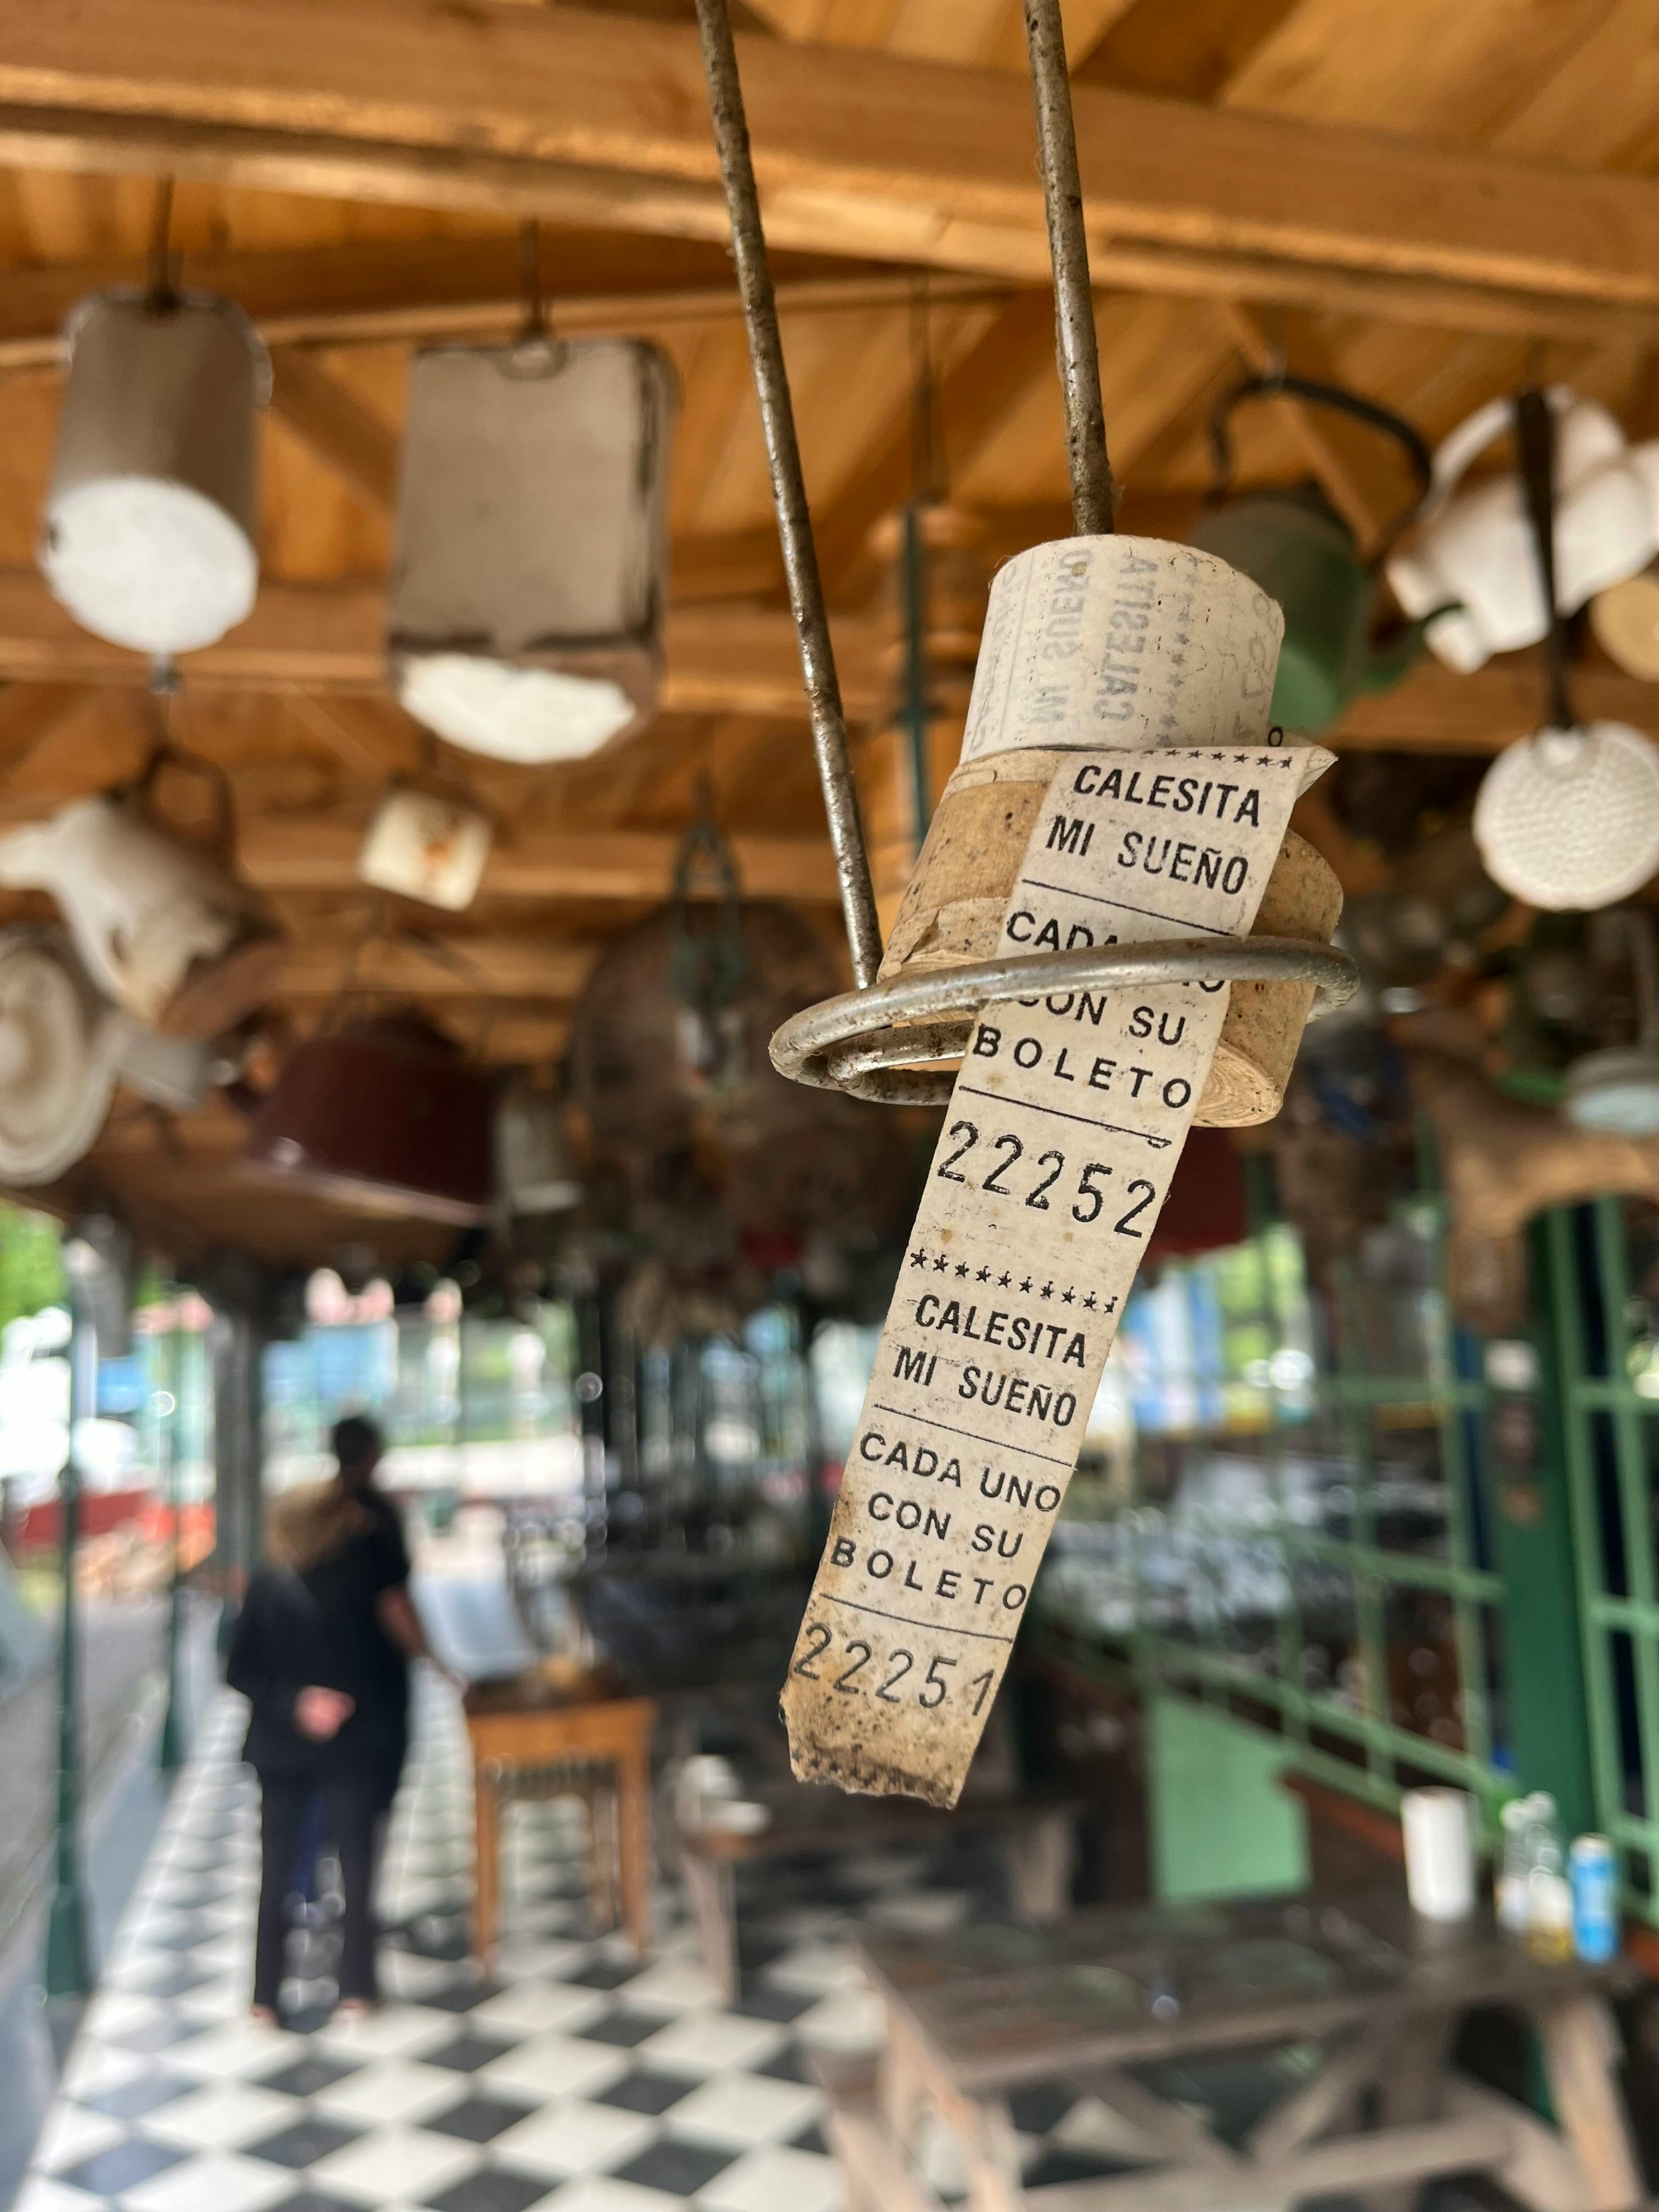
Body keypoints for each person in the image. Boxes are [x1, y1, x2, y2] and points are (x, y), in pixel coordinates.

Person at [227, 1414, 450, 2024]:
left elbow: (239, 1670)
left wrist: (293, 1702)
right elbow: (382, 1649)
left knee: (276, 1869)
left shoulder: (267, 1586)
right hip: (355, 1743)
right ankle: (357, 1988)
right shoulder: (357, 1577)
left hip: (282, 1745)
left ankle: (265, 1996)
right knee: (358, 1863)